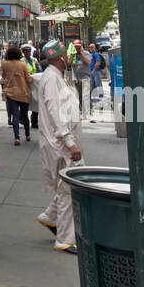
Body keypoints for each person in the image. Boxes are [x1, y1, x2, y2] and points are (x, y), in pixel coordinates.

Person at [36, 39, 83, 254]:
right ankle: (64, 239)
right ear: (60, 57)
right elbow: (57, 114)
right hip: (61, 145)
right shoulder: (52, 79)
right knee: (68, 191)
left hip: (61, 142)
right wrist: (70, 143)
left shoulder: (55, 77)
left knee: (68, 186)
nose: (70, 57)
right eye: (67, 53)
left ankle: (49, 216)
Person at [0, 43, 32, 145]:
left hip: (11, 93)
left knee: (15, 115)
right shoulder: (23, 64)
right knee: (25, 115)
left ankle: (17, 138)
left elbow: (4, 77)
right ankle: (27, 135)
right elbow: (29, 79)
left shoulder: (5, 64)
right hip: (23, 92)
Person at [71, 40, 91, 117]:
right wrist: (72, 54)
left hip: (86, 77)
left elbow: (89, 62)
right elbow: (69, 64)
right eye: (75, 47)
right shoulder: (73, 54)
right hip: (76, 78)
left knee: (85, 95)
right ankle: (80, 111)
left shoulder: (86, 53)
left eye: (78, 46)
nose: (77, 48)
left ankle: (87, 112)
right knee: (78, 96)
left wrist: (82, 53)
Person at [22, 43, 40, 130]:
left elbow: (40, 70)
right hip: (25, 84)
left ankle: (34, 122)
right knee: (25, 103)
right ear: (23, 52)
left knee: (35, 102)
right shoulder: (21, 61)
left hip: (34, 83)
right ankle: (24, 119)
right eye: (26, 51)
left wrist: (38, 67)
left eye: (29, 51)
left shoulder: (35, 60)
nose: (28, 53)